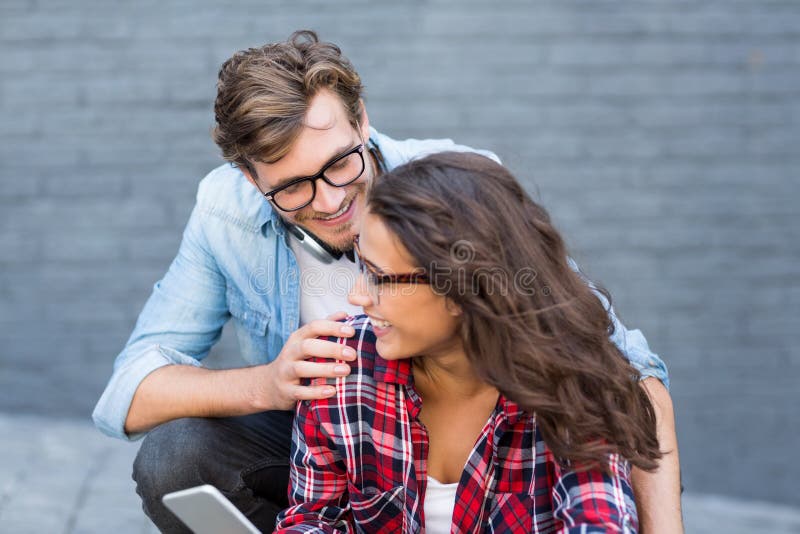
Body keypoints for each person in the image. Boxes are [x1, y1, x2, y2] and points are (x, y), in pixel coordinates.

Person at [91, 31, 680, 532]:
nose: (332, 200)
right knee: (174, 458)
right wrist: (269, 385)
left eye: (341, 162)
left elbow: (620, 372)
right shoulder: (226, 212)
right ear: (249, 177)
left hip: (480, 429)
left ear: (362, 118)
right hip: (340, 428)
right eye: (293, 186)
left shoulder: (457, 189)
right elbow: (130, 389)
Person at [275, 151, 662, 533]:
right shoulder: (341, 365)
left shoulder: (572, 388)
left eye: (381, 277)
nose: (359, 296)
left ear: (463, 290)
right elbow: (312, 518)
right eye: (364, 266)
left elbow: (598, 522)